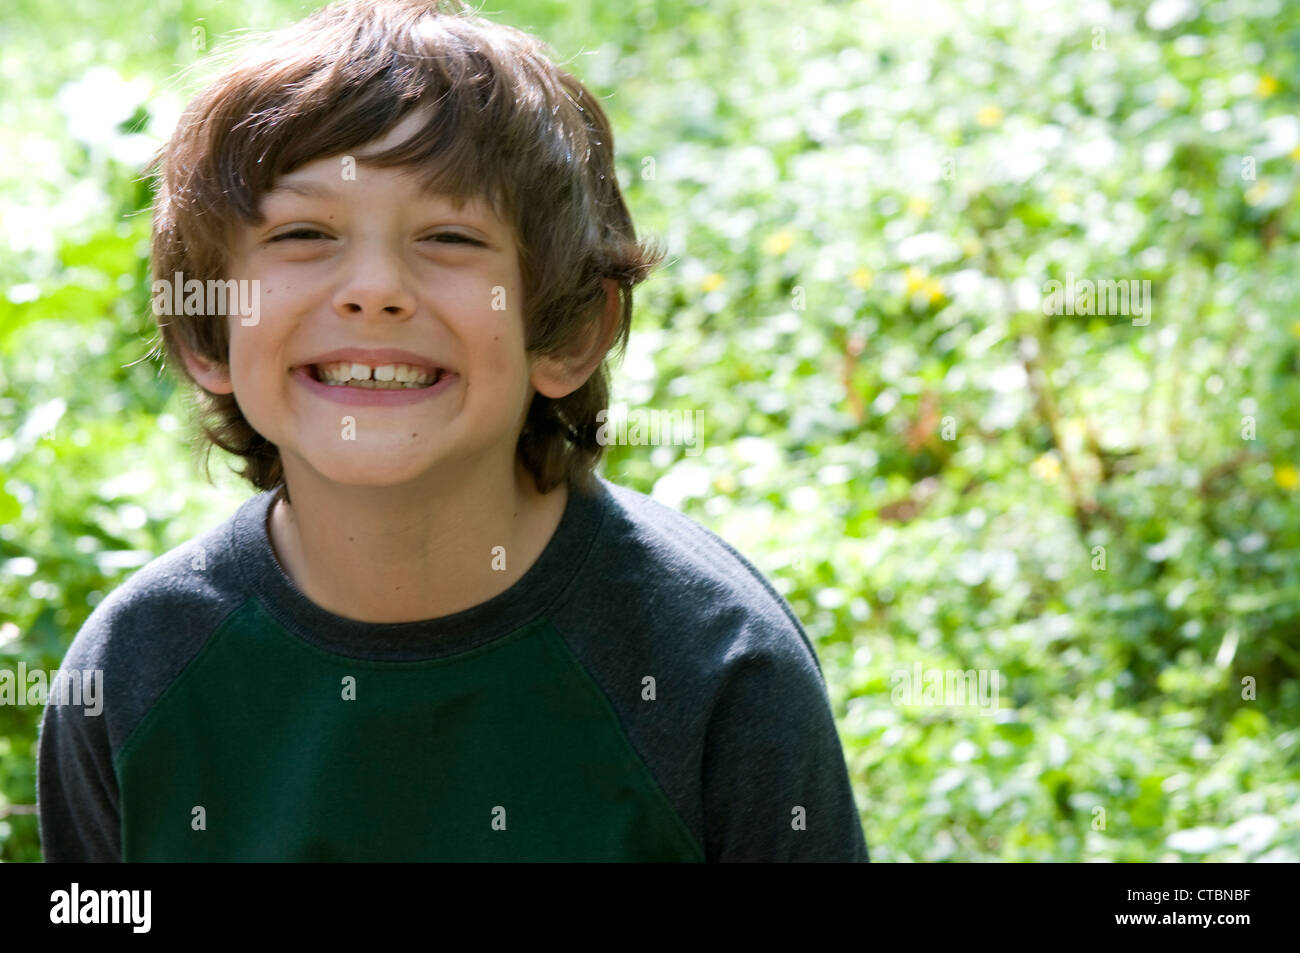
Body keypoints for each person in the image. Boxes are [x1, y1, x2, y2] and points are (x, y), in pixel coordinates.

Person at [37, 0, 869, 862]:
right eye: (303, 232)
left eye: (449, 235)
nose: (374, 288)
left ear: (570, 331)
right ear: (206, 330)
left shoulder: (717, 665)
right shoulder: (133, 670)